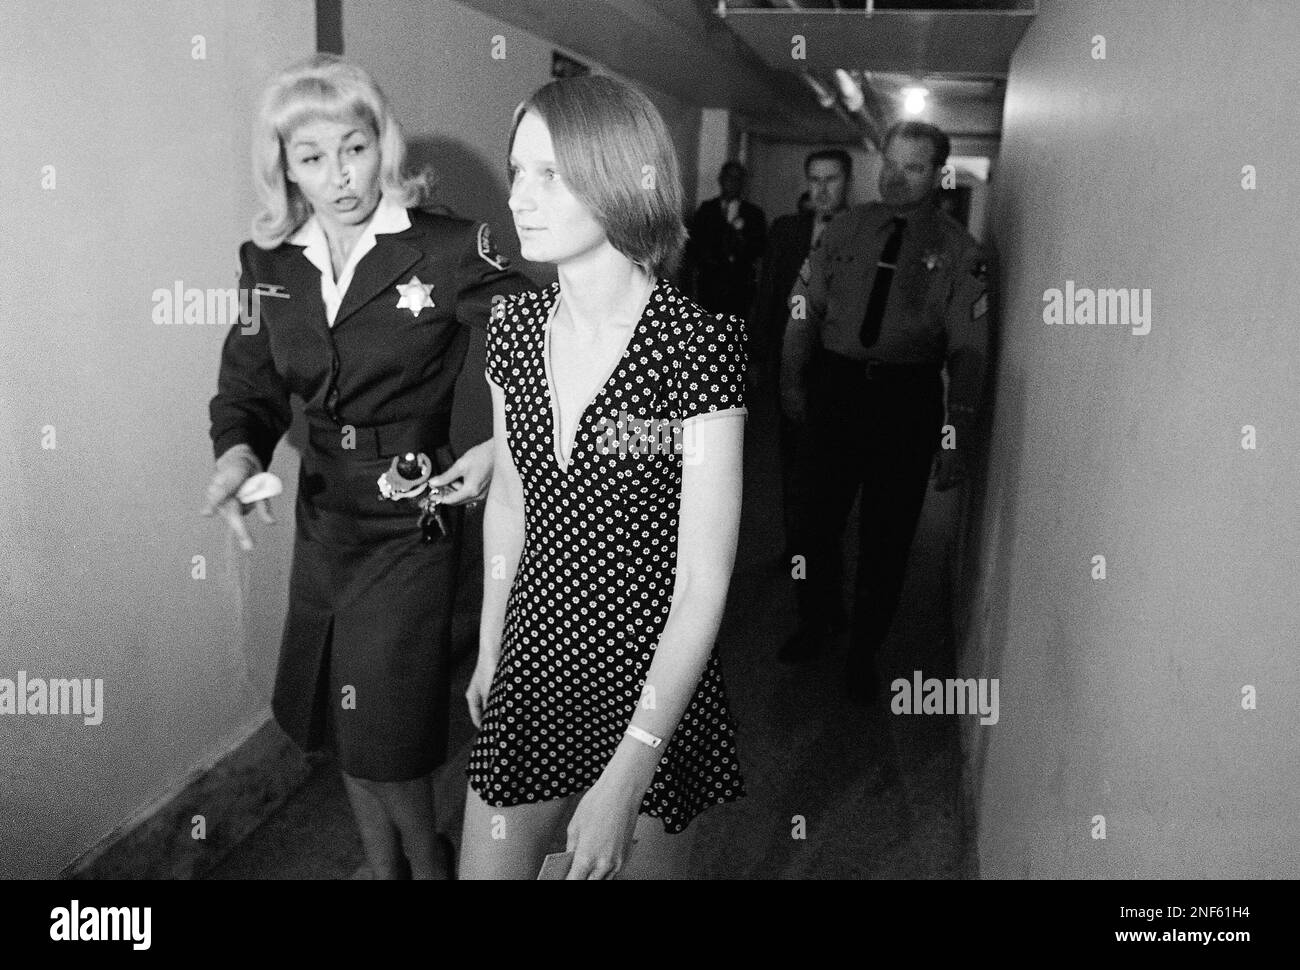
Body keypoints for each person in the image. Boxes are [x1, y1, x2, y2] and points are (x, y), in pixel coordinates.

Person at [202, 53, 533, 879]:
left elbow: (540, 336)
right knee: (343, 722)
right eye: (311, 158)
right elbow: (247, 387)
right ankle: (388, 871)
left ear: (379, 143)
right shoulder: (268, 265)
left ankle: (427, 866)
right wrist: (238, 454)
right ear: (284, 167)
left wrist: (502, 439)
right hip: (325, 521)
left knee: (387, 735)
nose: (338, 175)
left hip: (409, 519)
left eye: (352, 148)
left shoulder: (446, 246)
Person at [459, 75, 748, 880]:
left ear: (622, 177)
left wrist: (632, 769)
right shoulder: (512, 329)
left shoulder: (697, 348)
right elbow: (511, 501)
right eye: (518, 171)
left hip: (648, 680)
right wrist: (490, 648)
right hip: (534, 661)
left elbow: (702, 580)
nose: (522, 196)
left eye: (552, 173)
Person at [779, 121, 992, 702]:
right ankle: (817, 618)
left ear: (939, 174)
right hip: (836, 390)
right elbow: (804, 306)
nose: (896, 178)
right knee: (810, 522)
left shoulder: (958, 252)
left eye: (914, 168)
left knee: (887, 536)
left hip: (906, 401)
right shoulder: (844, 228)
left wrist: (955, 436)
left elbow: (969, 352)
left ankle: (863, 650)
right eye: (890, 164)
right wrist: (791, 380)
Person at [755, 149, 852, 579]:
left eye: (831, 179)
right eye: (814, 179)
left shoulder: (860, 232)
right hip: (789, 363)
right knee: (791, 463)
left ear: (847, 182)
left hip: (837, 369)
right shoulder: (786, 230)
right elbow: (769, 295)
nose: (822, 189)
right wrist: (758, 357)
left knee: (829, 472)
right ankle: (797, 550)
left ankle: (822, 553)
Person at [682, 160, 767, 328]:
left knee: (735, 329)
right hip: (710, 282)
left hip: (740, 284)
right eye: (729, 178)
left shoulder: (754, 213)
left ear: (743, 182)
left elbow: (760, 247)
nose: (732, 183)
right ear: (721, 180)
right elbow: (693, 244)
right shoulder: (707, 209)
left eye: (737, 179)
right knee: (708, 327)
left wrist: (742, 242)